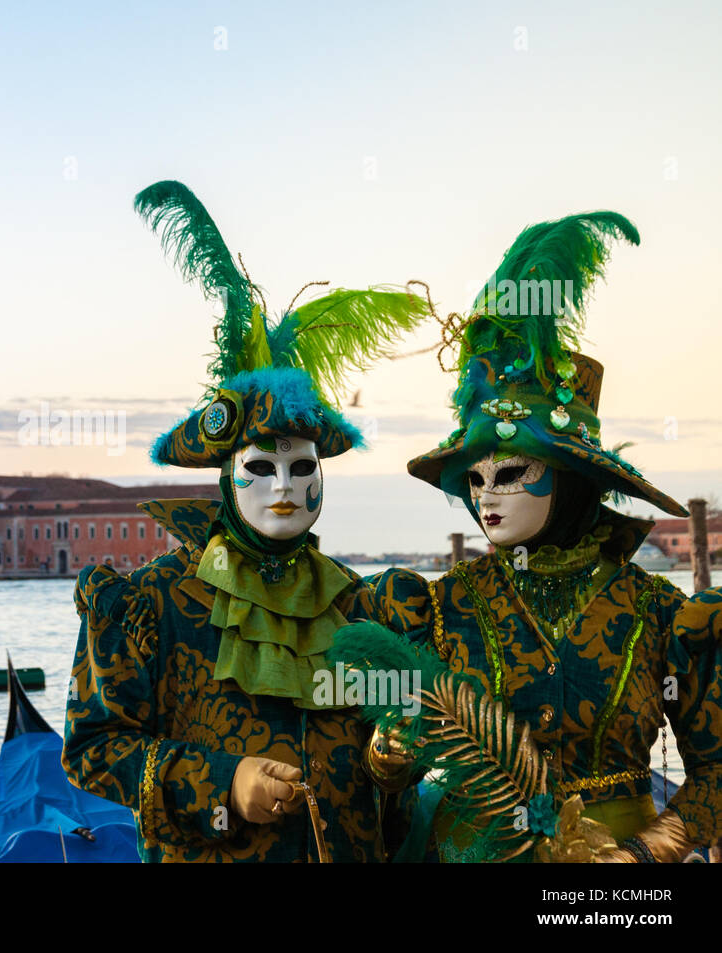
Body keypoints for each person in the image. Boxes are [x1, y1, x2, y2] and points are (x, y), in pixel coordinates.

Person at [62, 180, 428, 861]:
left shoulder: (360, 603)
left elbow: (391, 773)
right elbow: (92, 748)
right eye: (261, 467)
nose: (285, 486)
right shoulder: (151, 602)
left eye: (303, 466)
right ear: (226, 477)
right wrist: (223, 782)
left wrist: (391, 758)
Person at [362, 212, 722, 862]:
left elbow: (717, 772)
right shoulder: (437, 610)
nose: (486, 495)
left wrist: (649, 850)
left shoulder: (665, 614)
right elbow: (388, 772)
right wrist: (389, 753)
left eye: (511, 471)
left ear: (571, 477)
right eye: (473, 477)